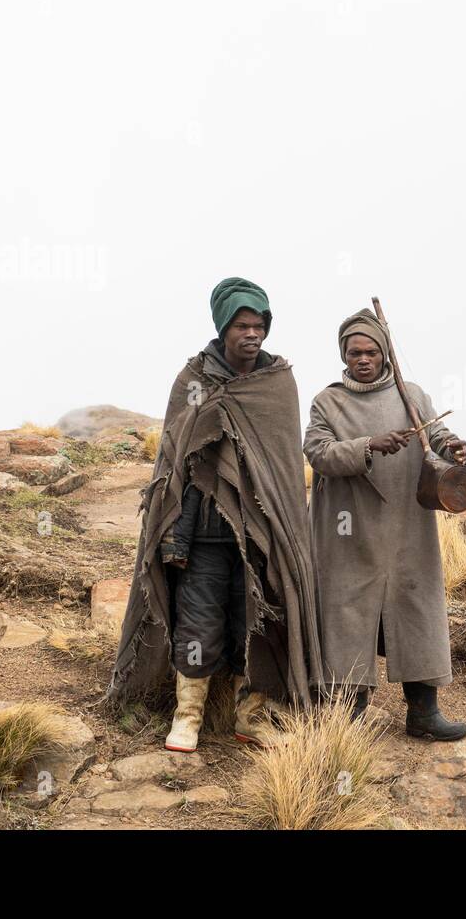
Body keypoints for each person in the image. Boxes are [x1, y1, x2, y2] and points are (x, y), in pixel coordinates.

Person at [108, 277, 323, 753]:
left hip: (261, 536)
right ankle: (187, 717)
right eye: (243, 325)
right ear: (224, 328)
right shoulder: (194, 380)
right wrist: (174, 533)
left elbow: (282, 467)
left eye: (259, 325)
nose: (253, 334)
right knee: (198, 622)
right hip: (203, 534)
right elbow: (174, 462)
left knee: (256, 624)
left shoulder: (276, 383)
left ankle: (251, 715)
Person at [303, 308, 466, 741]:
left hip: (407, 524)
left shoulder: (411, 396)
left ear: (384, 353)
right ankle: (349, 717)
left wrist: (453, 449)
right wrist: (367, 445)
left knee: (416, 606)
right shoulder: (328, 402)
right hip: (347, 529)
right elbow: (318, 452)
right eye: (354, 352)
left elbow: (437, 438)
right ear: (343, 355)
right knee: (347, 613)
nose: (363, 359)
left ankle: (424, 713)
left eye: (371, 352)